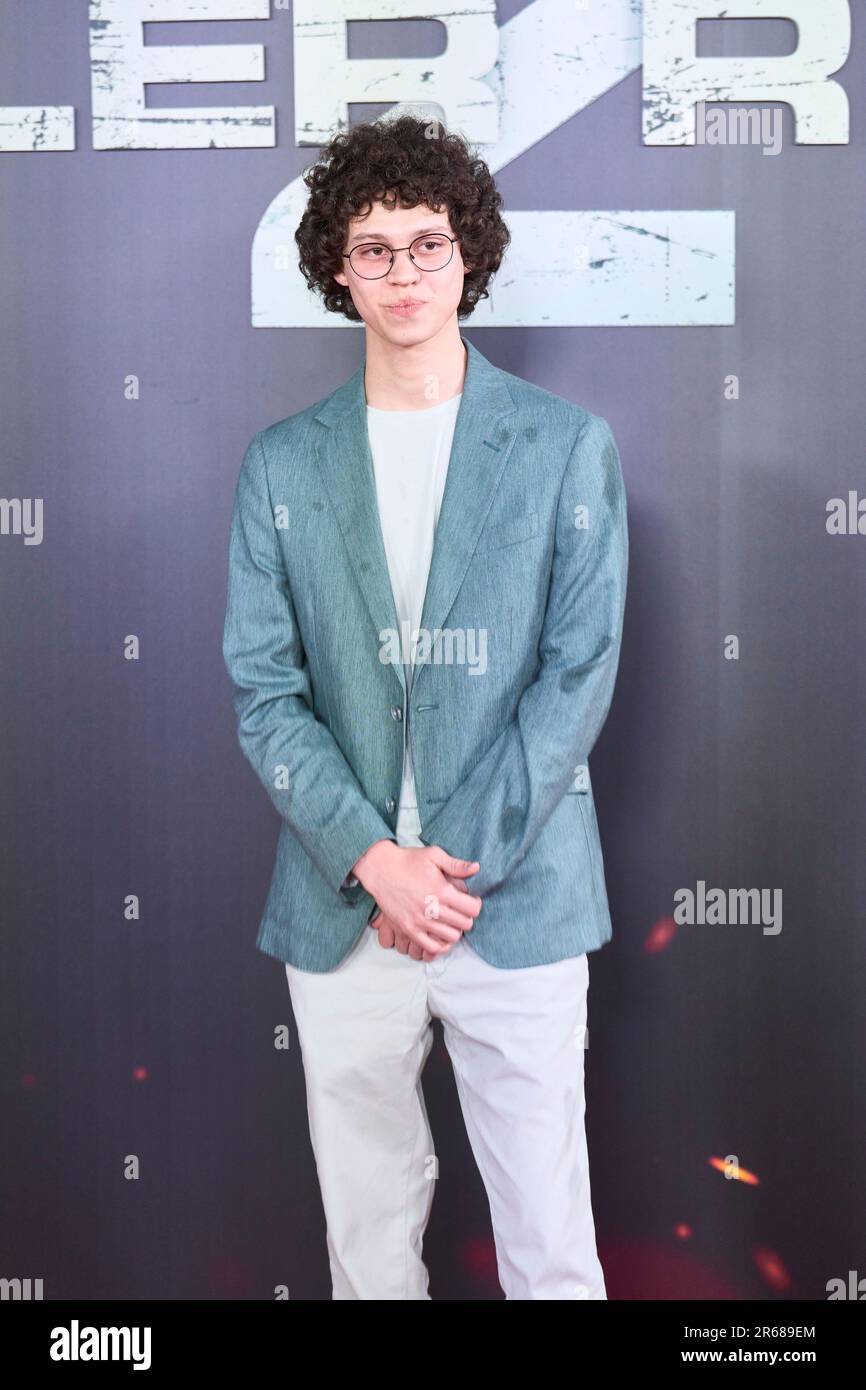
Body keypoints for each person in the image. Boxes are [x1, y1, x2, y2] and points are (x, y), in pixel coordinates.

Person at [222, 109, 629, 1300]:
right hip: (342, 909)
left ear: (469, 255)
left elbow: (577, 674)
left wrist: (444, 863)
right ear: (335, 269)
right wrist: (372, 859)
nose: (404, 271)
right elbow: (264, 691)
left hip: (515, 899)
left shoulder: (563, 447)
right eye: (373, 247)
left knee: (550, 1245)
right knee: (365, 1253)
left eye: (427, 243)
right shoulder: (279, 466)